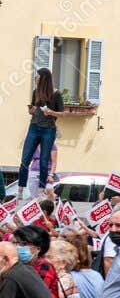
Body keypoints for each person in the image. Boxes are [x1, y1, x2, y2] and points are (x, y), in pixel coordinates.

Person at [18, 67, 63, 199]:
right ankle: (20, 190)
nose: (35, 78)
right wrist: (31, 110)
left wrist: (51, 112)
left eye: (37, 76)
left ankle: (42, 188)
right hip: (34, 126)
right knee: (25, 158)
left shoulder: (56, 94)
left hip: (48, 129)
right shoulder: (35, 92)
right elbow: (33, 109)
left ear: (43, 78)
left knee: (44, 160)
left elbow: (62, 113)